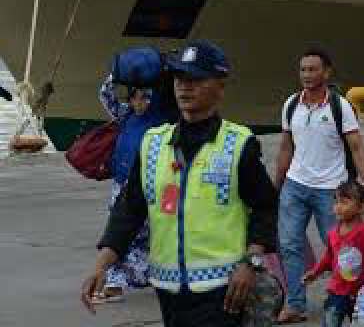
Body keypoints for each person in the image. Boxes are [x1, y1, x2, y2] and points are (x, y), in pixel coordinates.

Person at [81, 40, 278, 327]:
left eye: (196, 79)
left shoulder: (238, 144)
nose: (185, 87)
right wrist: (102, 265)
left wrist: (251, 264)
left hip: (224, 288)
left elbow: (265, 207)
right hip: (168, 290)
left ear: (220, 87)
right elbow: (129, 210)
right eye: (180, 78)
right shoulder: (153, 143)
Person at [274, 49, 364, 324]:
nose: (307, 75)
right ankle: (295, 304)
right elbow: (286, 147)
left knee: (344, 250)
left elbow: (357, 147)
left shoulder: (339, 106)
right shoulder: (291, 104)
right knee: (289, 245)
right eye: (303, 69)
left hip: (331, 190)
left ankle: (347, 299)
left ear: (326, 72)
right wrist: (278, 184)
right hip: (295, 185)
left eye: (313, 69)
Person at [92, 68, 172, 302]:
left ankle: (131, 275)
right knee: (123, 231)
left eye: (146, 97)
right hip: (122, 184)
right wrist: (116, 74)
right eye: (137, 96)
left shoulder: (161, 120)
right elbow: (106, 95)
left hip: (152, 184)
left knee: (142, 235)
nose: (140, 102)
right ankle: (119, 280)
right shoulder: (126, 115)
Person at [303, 181, 364, 327]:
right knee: (330, 322)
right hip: (337, 290)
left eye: (344, 202)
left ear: (361, 207)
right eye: (336, 202)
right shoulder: (333, 233)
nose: (338, 207)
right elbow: (329, 257)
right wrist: (315, 272)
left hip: (362, 292)